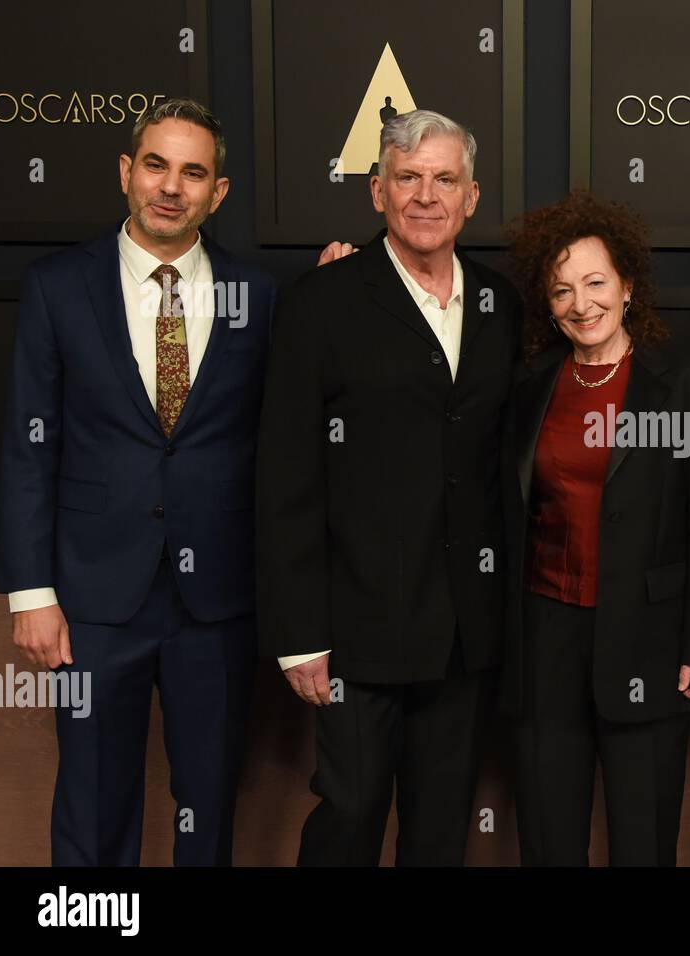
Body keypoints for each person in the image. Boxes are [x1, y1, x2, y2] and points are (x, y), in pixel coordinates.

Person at [0, 98, 276, 865]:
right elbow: (29, 443)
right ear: (127, 172)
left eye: (194, 172)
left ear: (217, 193)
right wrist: (31, 592)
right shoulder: (58, 286)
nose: (171, 186)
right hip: (91, 596)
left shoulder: (261, 296)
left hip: (217, 600)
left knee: (210, 801)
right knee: (90, 801)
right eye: (156, 164)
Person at [256, 109, 523, 865]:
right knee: (349, 815)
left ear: (472, 198)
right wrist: (300, 632)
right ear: (378, 191)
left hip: (466, 633)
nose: (426, 195)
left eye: (445, 179)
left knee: (440, 831)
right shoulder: (323, 300)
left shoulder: (503, 306)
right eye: (408, 178)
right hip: (357, 625)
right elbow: (286, 473)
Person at [501, 192, 690, 866]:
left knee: (643, 840)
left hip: (650, 642)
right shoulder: (529, 386)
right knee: (548, 838)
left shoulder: (686, 387)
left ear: (627, 286)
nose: (581, 303)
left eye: (596, 282)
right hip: (544, 642)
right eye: (562, 290)